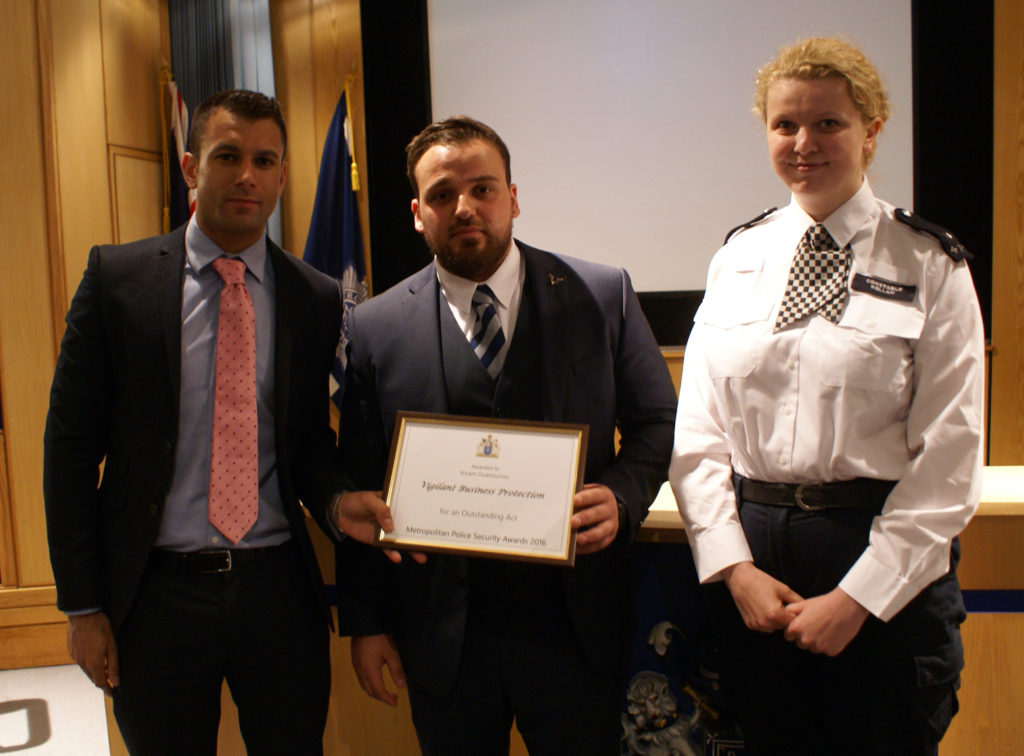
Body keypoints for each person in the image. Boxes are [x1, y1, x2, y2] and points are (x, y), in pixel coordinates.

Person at [43, 89, 391, 755]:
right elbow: (68, 451)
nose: (247, 176)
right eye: (228, 156)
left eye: (265, 160)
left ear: (282, 177)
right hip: (155, 596)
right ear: (190, 167)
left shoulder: (315, 296)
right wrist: (81, 605)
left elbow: (307, 443)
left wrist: (335, 500)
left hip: (278, 592)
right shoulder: (117, 281)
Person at [669, 38, 984, 755]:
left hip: (881, 565)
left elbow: (950, 459)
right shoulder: (738, 257)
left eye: (828, 123)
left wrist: (859, 598)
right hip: (759, 572)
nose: (803, 143)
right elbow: (700, 433)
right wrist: (734, 569)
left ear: (871, 130)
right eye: (785, 125)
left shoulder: (928, 262)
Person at [335, 116, 677, 754]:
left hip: (575, 626)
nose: (464, 207)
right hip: (442, 636)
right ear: (417, 214)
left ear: (513, 198)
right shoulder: (376, 326)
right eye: (442, 195)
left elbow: (658, 421)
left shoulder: (603, 294)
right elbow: (361, 479)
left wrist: (623, 495)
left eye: (482, 189)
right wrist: (368, 622)